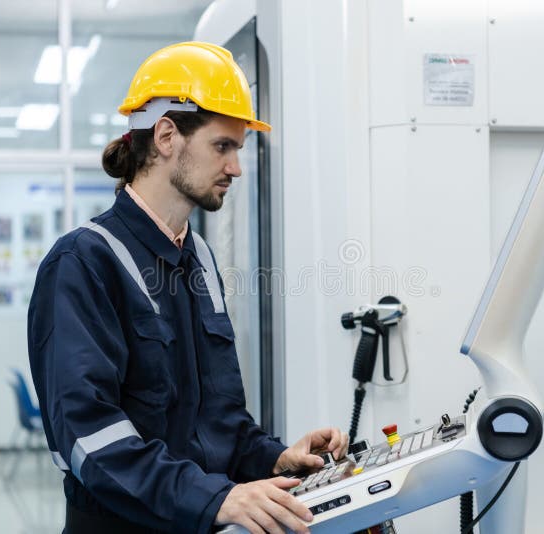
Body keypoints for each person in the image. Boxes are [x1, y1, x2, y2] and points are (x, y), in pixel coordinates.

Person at [27, 41, 348, 534]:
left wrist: (277, 459)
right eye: (223, 146)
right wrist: (216, 498)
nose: (236, 168)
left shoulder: (197, 258)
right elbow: (89, 437)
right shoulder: (82, 263)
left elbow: (220, 423)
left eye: (238, 149)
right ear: (166, 135)